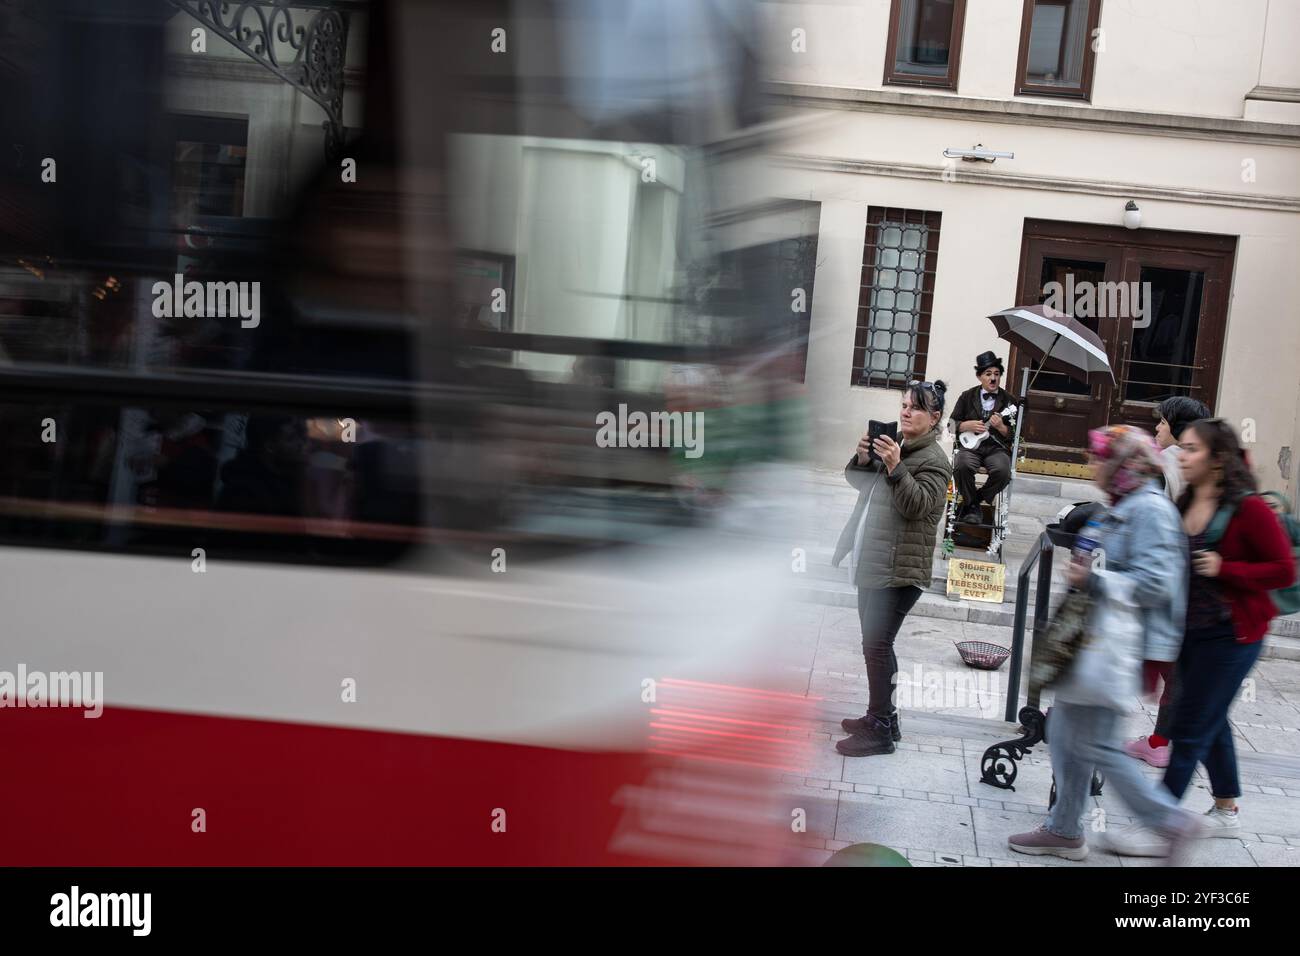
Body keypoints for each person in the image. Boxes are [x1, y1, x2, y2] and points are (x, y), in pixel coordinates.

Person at [1008, 426, 1202, 862]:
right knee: (1063, 732)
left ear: (1124, 464)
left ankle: (1171, 822)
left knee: (1096, 745)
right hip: (1092, 641)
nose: (1092, 465)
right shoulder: (1123, 504)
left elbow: (1156, 583)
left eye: (1099, 458)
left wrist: (1095, 579)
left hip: (1116, 648)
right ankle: (1065, 829)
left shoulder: (1149, 510)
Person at [1107, 419, 1295, 856]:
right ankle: (1227, 809)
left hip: (1234, 636)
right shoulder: (1186, 498)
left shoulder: (1247, 508)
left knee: (1189, 727)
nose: (1182, 455)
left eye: (1191, 449)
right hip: (1190, 633)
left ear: (1217, 459)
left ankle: (1161, 824)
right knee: (1211, 719)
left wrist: (1227, 568)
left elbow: (1283, 570)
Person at [831, 380, 952, 757]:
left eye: (915, 408)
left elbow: (918, 506)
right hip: (875, 558)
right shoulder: (896, 445)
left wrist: (896, 467)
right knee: (878, 644)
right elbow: (859, 484)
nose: (905, 412)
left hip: (899, 568)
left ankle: (880, 727)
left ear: (934, 418)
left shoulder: (935, 461)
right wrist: (865, 459)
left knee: (876, 644)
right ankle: (885, 717)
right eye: (903, 405)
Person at [1123, 395, 1211, 768]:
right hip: (1185, 582)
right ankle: (1161, 742)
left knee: (1129, 654)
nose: (1157, 428)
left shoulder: (1166, 466)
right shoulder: (1202, 466)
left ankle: (1072, 719)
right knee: (1172, 669)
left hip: (1164, 580)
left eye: (1162, 422)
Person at [949, 351, 1016, 524]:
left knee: (1003, 472)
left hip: (996, 449)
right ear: (979, 377)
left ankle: (973, 503)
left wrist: (1002, 427)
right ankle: (972, 505)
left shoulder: (1010, 401)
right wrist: (965, 425)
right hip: (971, 448)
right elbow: (951, 424)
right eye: (988, 374)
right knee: (962, 465)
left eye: (996, 374)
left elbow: (1018, 434)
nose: (993, 378)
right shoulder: (967, 396)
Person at [1153, 396, 1211, 502]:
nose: (1157, 427)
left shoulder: (1161, 462)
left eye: (1162, 422)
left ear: (1178, 427)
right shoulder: (1204, 465)